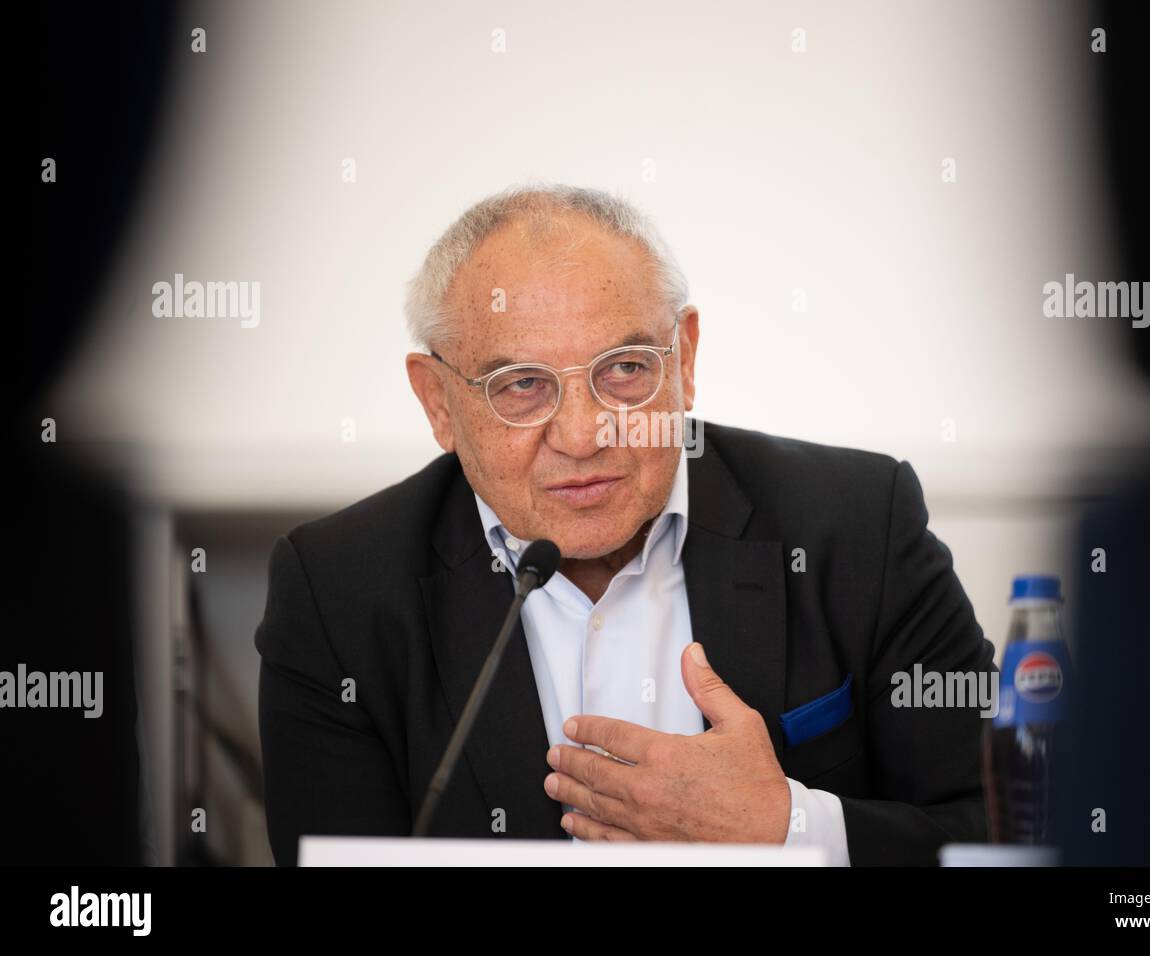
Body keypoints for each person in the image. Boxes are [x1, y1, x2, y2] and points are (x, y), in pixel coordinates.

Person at [255, 184, 995, 866]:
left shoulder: (859, 523)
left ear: (686, 357)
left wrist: (786, 828)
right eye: (521, 386)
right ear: (439, 403)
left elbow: (1006, 837)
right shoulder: (338, 592)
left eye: (626, 371)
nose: (583, 434)